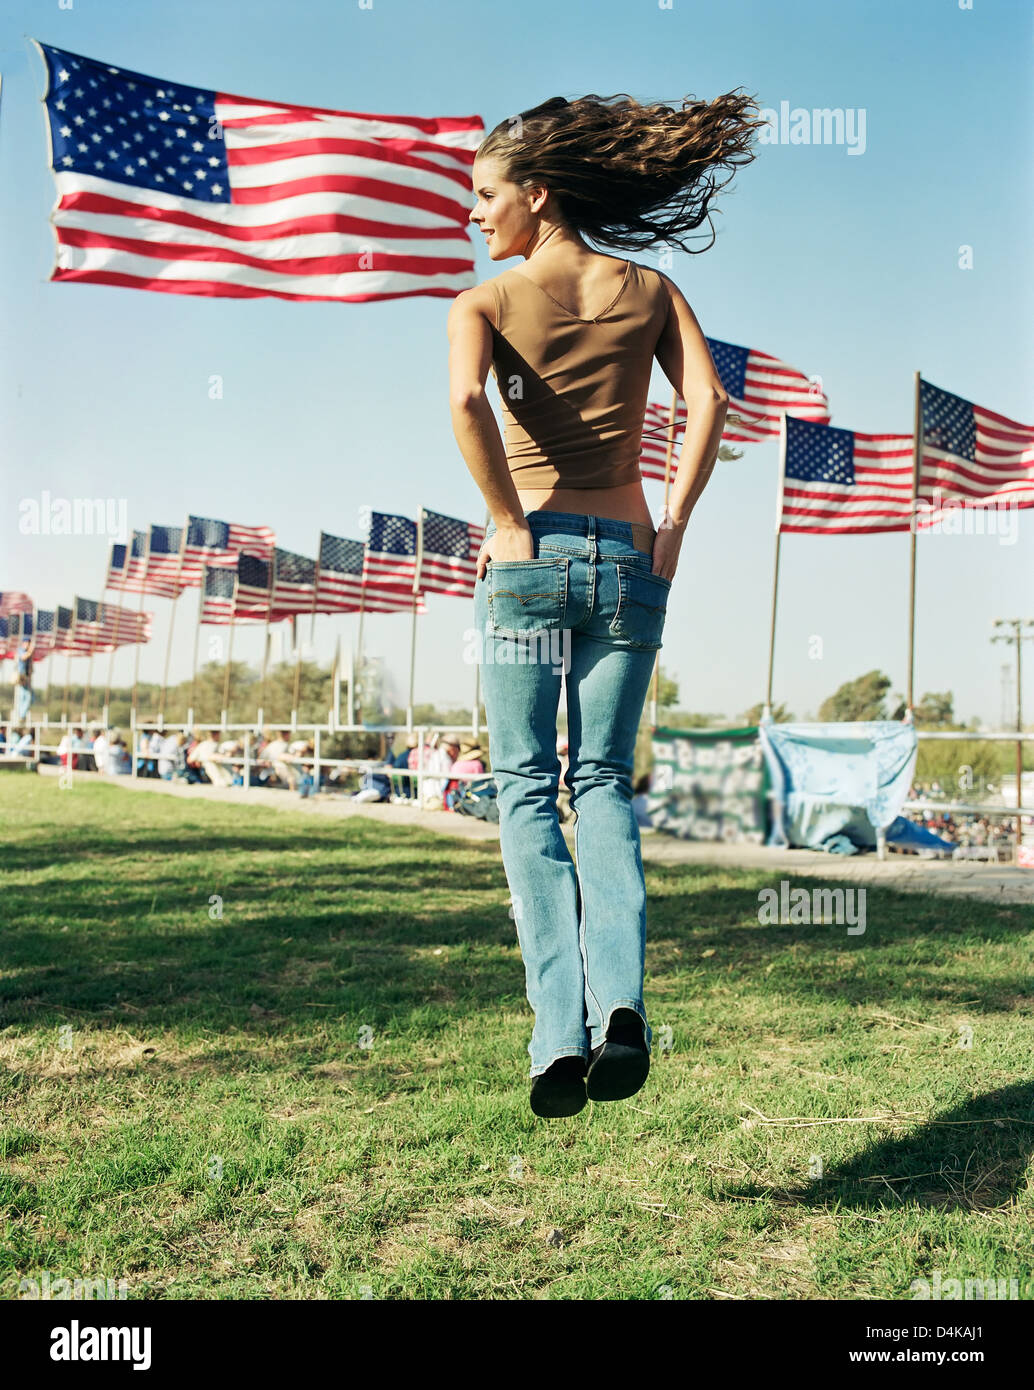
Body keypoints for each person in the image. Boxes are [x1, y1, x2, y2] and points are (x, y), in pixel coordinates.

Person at [449, 92, 757, 1116]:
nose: (475, 215)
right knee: (602, 785)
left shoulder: (485, 302)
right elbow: (707, 401)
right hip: (628, 555)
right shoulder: (648, 288)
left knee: (526, 788)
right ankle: (620, 1006)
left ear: (536, 194)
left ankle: (555, 1039)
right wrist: (672, 527)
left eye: (486, 195)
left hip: (528, 559)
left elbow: (461, 403)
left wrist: (501, 518)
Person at [14, 635, 35, 723]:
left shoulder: (27, 652)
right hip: (22, 677)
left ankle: (21, 715)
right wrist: (30, 651)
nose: (28, 645)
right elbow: (23, 657)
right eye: (27, 643)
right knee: (24, 696)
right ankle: (21, 716)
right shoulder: (21, 650)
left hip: (27, 677)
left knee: (28, 697)